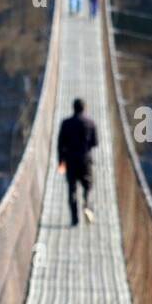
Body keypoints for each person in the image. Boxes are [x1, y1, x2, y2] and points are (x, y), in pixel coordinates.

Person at [58, 97, 98, 226]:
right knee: (88, 186)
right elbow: (94, 143)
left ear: (73, 108)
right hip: (85, 160)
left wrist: (61, 162)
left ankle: (74, 219)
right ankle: (86, 204)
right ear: (84, 108)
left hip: (70, 161)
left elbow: (60, 145)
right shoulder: (91, 123)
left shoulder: (66, 123)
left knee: (72, 190)